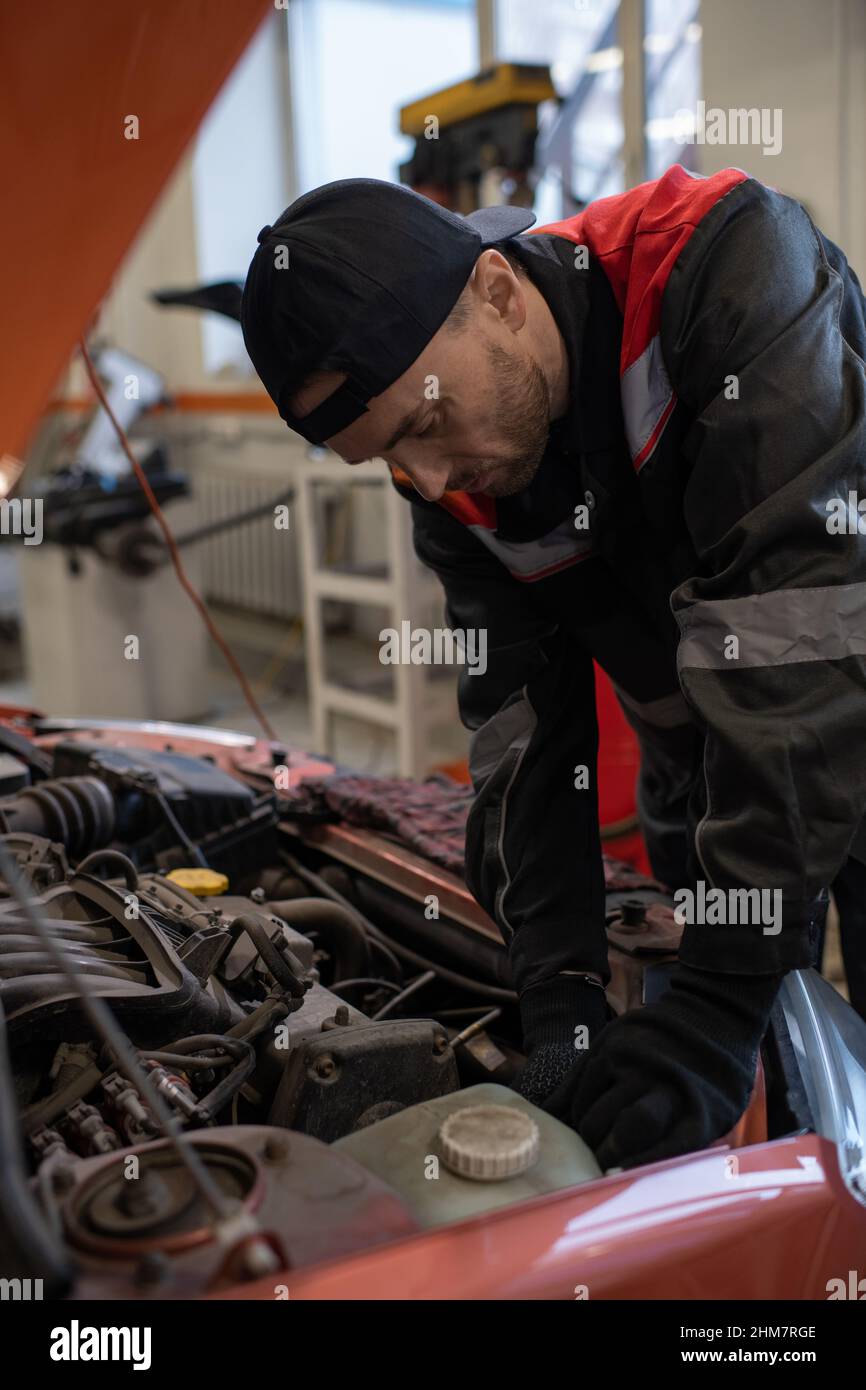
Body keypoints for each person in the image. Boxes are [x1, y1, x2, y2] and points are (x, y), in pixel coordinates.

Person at [240, 167, 866, 1169]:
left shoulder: (725, 271)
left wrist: (717, 993)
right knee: (756, 1086)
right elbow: (523, 731)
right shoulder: (449, 476)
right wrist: (560, 992)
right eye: (390, 463)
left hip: (836, 704)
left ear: (495, 291)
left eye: (423, 425)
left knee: (743, 1009)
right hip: (704, 774)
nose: (430, 482)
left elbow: (794, 645)